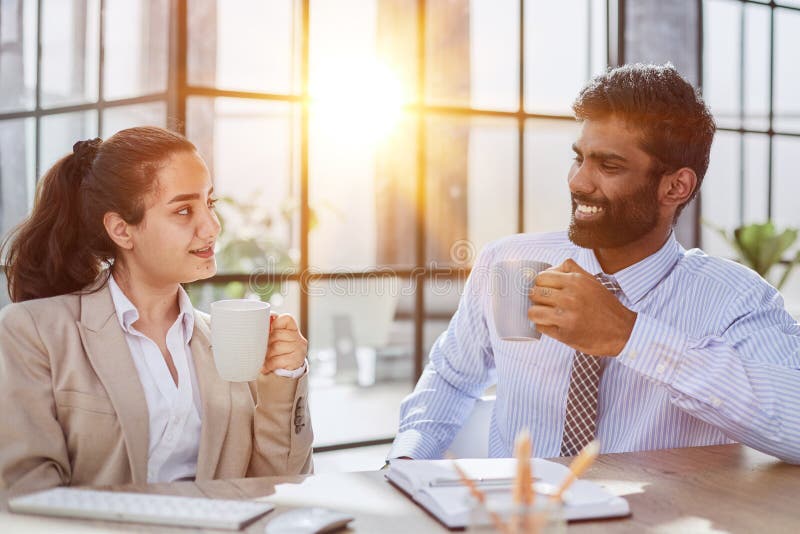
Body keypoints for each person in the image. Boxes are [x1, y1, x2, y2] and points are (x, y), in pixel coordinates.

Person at [389, 63, 800, 463]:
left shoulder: (737, 301)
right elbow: (451, 379)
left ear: (676, 186)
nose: (578, 181)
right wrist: (406, 460)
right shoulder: (513, 265)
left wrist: (630, 335)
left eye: (609, 165)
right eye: (579, 158)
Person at [0, 126, 313, 494]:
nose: (212, 227)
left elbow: (276, 482)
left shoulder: (227, 342)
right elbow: (26, 492)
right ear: (122, 230)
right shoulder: (32, 332)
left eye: (209, 204)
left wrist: (284, 376)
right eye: (183, 210)